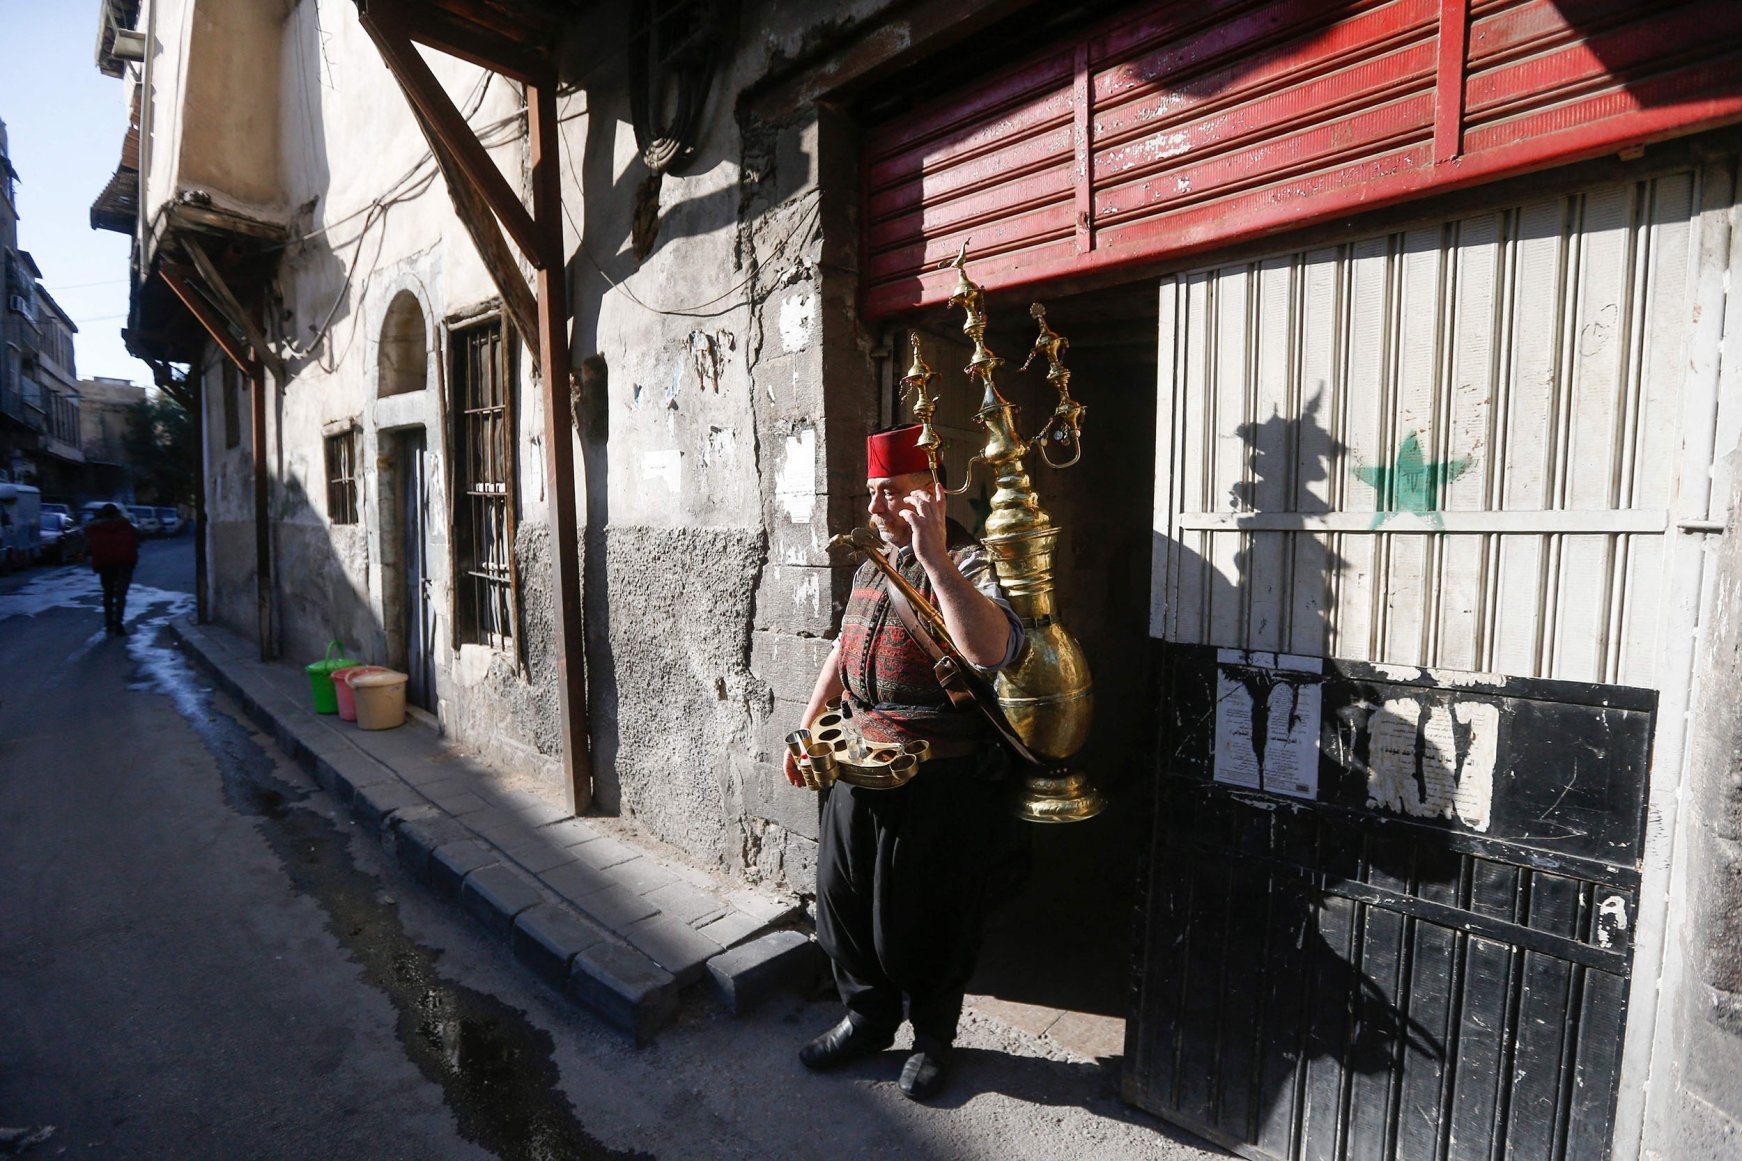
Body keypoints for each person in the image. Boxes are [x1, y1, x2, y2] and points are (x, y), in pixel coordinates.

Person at [785, 424, 1024, 1101]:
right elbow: (843, 646)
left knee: (926, 922)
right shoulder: (870, 565)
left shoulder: (972, 563)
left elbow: (990, 650)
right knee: (842, 909)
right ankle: (866, 1018)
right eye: (872, 494)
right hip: (854, 769)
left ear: (933, 495)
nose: (876, 508)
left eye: (891, 493)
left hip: (936, 781)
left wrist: (937, 560)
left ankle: (933, 1036)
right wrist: (805, 728)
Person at [85, 503, 140, 636]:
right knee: (121, 595)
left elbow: (90, 546)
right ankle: (119, 624)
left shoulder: (96, 528)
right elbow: (135, 542)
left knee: (108, 594)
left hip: (105, 565)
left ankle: (109, 623)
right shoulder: (127, 527)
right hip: (124, 564)